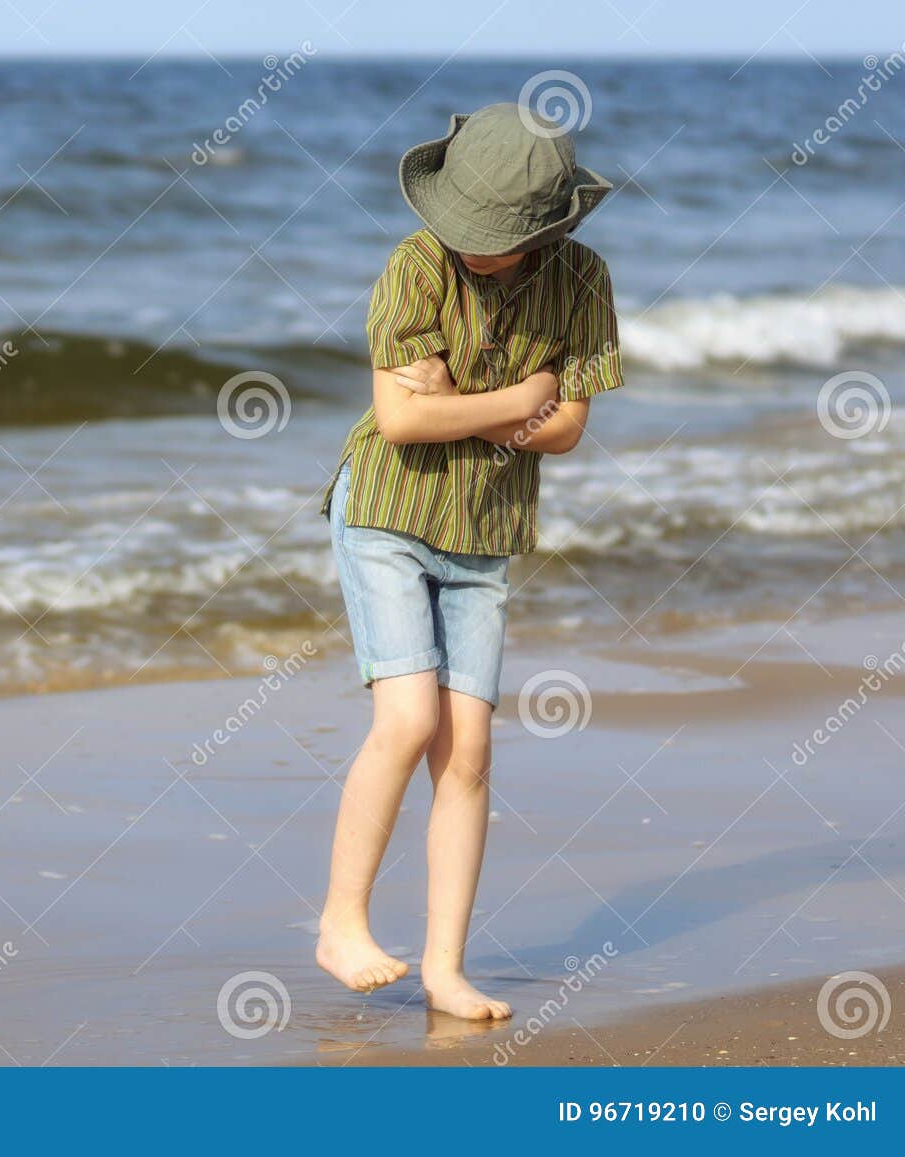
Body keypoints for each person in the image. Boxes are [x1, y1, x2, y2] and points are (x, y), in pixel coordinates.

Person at [315, 102, 622, 1020]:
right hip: (386, 511)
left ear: (547, 227)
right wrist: (521, 395)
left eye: (493, 238)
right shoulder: (414, 264)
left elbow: (566, 428)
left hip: (486, 531)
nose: (471, 248)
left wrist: (477, 398)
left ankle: (446, 969)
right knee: (408, 719)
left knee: (472, 749)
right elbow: (404, 420)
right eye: (464, 229)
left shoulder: (583, 280)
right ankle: (342, 920)